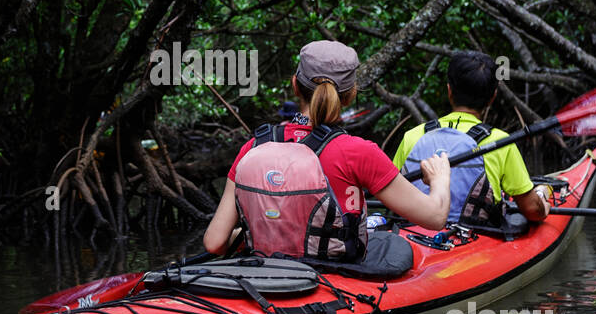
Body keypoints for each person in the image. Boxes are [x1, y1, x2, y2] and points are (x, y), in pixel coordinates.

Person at [203, 40, 450, 275]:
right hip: (333, 281)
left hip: (265, 278)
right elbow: (435, 218)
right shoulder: (359, 152)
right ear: (351, 94)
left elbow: (214, 243)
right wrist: (440, 179)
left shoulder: (254, 146)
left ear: (295, 85)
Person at [392, 50, 552, 228]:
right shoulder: (500, 142)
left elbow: (391, 194)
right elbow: (531, 209)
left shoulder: (412, 136)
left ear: (449, 91)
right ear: (492, 97)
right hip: (471, 240)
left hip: (412, 234)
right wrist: (543, 205)